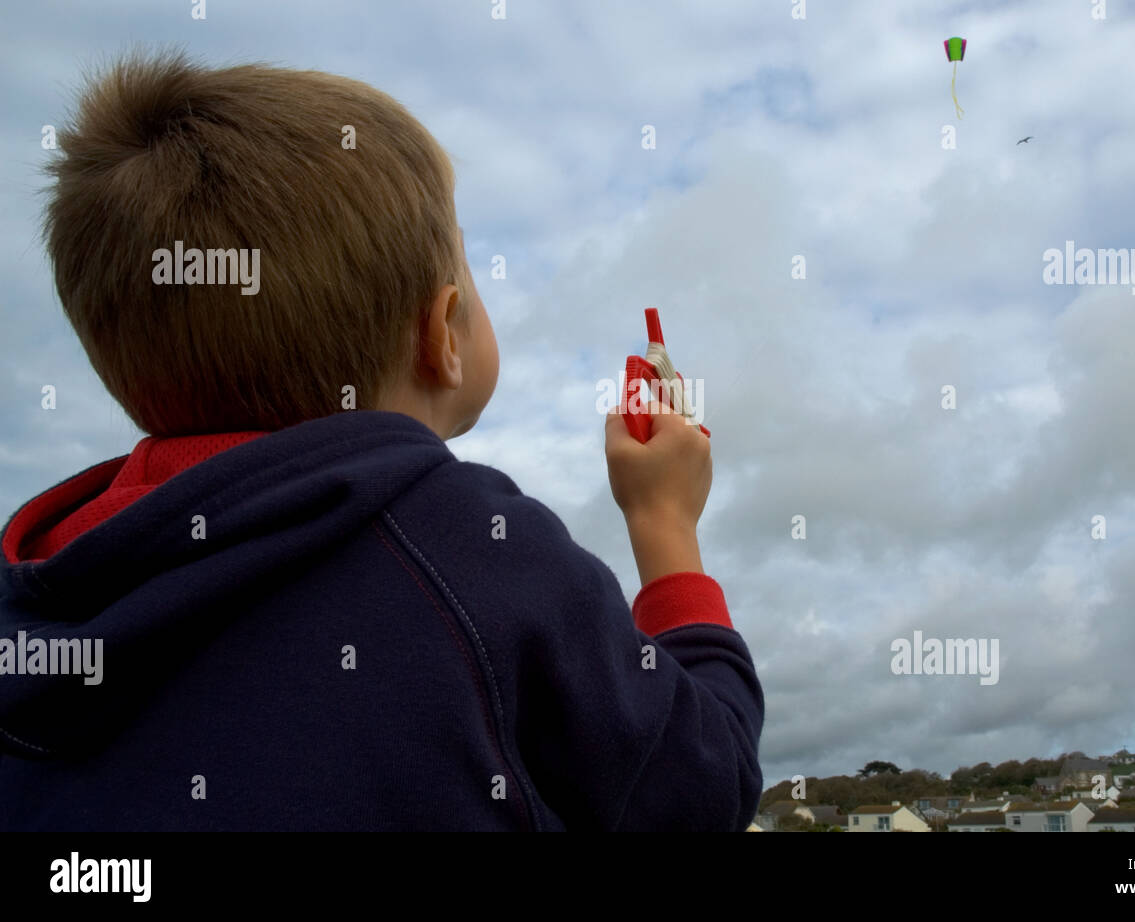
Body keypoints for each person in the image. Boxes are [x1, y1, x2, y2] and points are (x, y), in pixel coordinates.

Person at [0, 51, 763, 830]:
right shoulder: (474, 554)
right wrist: (663, 524)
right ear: (442, 335)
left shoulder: (39, 600)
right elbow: (704, 787)